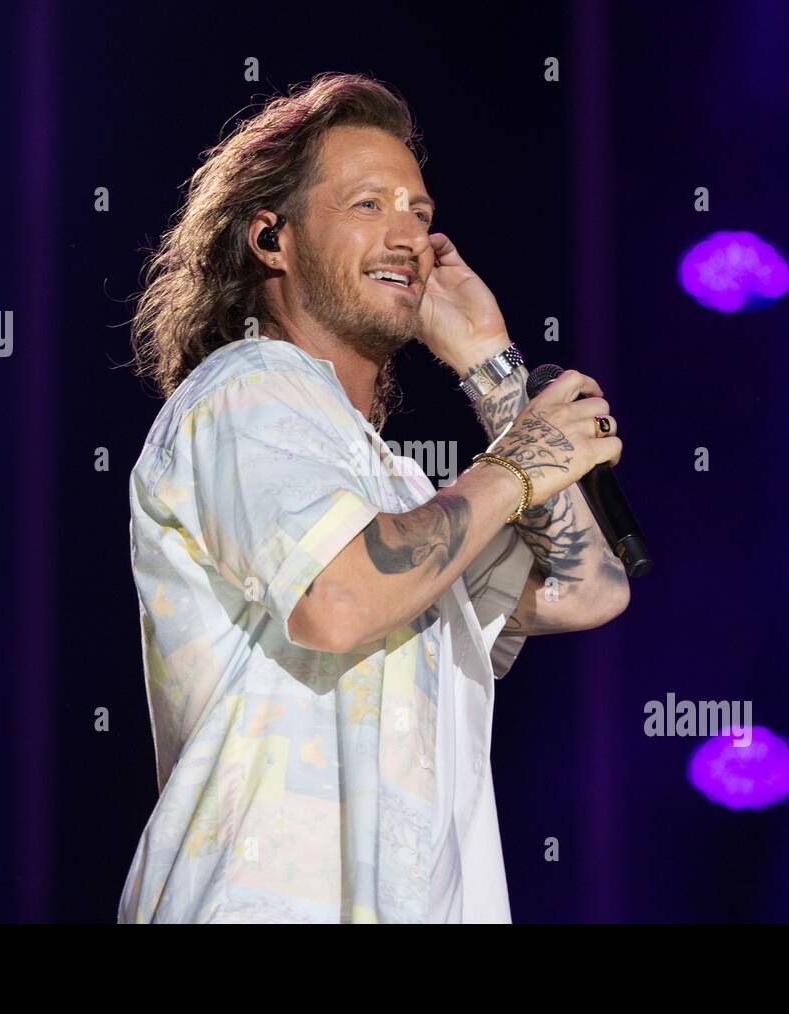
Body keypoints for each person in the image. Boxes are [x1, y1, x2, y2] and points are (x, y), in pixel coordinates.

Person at [117, 72, 631, 924]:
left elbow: (590, 590)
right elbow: (340, 597)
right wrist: (523, 458)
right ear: (271, 240)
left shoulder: (400, 487)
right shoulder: (243, 391)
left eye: (419, 212)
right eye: (367, 205)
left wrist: (493, 367)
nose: (409, 236)